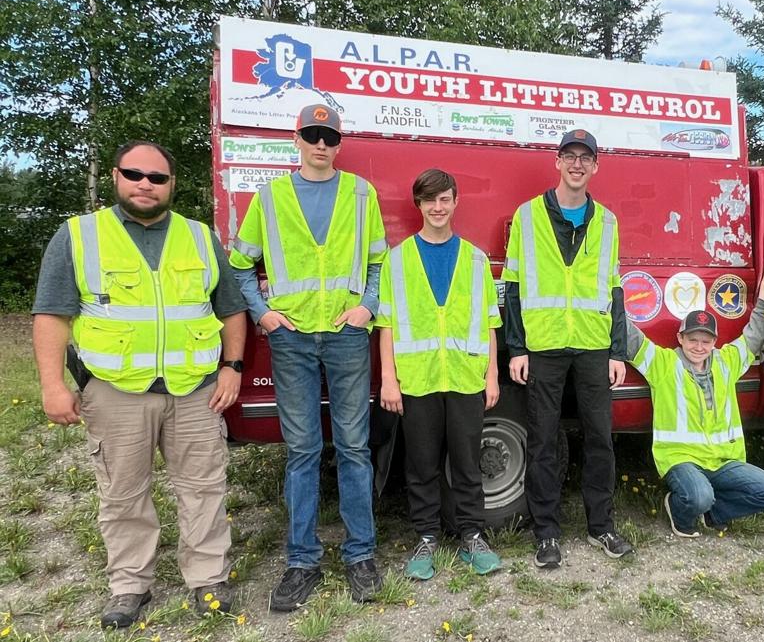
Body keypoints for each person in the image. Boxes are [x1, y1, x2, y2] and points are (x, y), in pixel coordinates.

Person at [31, 141, 247, 628]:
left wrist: (232, 366)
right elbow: (51, 314)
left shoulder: (198, 237)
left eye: (157, 177)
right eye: (135, 174)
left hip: (194, 389)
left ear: (172, 184)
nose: (145, 184)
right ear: (115, 177)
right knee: (123, 492)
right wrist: (52, 385)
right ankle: (130, 585)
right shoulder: (79, 236)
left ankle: (208, 578)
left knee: (204, 488)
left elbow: (230, 308)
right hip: (115, 391)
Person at [229, 105, 388, 609]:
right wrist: (263, 314)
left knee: (355, 449)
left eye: (330, 135)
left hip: (345, 336)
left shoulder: (362, 194)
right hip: (291, 339)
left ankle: (361, 555)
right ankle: (302, 564)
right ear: (295, 139)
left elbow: (378, 262)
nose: (321, 143)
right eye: (311, 134)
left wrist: (367, 306)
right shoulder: (270, 197)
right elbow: (238, 267)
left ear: (340, 143)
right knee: (301, 453)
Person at [502, 129, 632, 568]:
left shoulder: (608, 221)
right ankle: (546, 533)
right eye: (570, 156)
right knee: (541, 442)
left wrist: (618, 351)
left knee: (600, 439)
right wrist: (516, 347)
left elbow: (614, 288)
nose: (577, 165)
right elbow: (514, 286)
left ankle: (602, 527)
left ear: (596, 166)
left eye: (586, 158)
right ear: (557, 161)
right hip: (544, 345)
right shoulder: (527, 216)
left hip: (594, 346)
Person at [376, 169, 503, 579]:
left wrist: (492, 376)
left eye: (445, 199)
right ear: (419, 205)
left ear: (455, 202)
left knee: (468, 465)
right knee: (422, 466)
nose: (437, 207)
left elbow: (488, 324)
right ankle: (426, 537)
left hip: (466, 377)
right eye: (430, 200)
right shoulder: (397, 260)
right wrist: (389, 380)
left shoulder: (475, 258)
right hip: (418, 380)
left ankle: (471, 535)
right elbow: (387, 325)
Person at [625, 282, 764, 537]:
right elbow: (629, 336)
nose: (699, 347)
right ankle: (681, 513)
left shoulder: (727, 362)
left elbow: (754, 335)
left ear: (714, 341)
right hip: (682, 458)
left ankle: (715, 514)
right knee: (699, 496)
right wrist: (604, 293)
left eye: (706, 340)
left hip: (723, 460)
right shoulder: (663, 363)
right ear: (680, 338)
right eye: (692, 339)